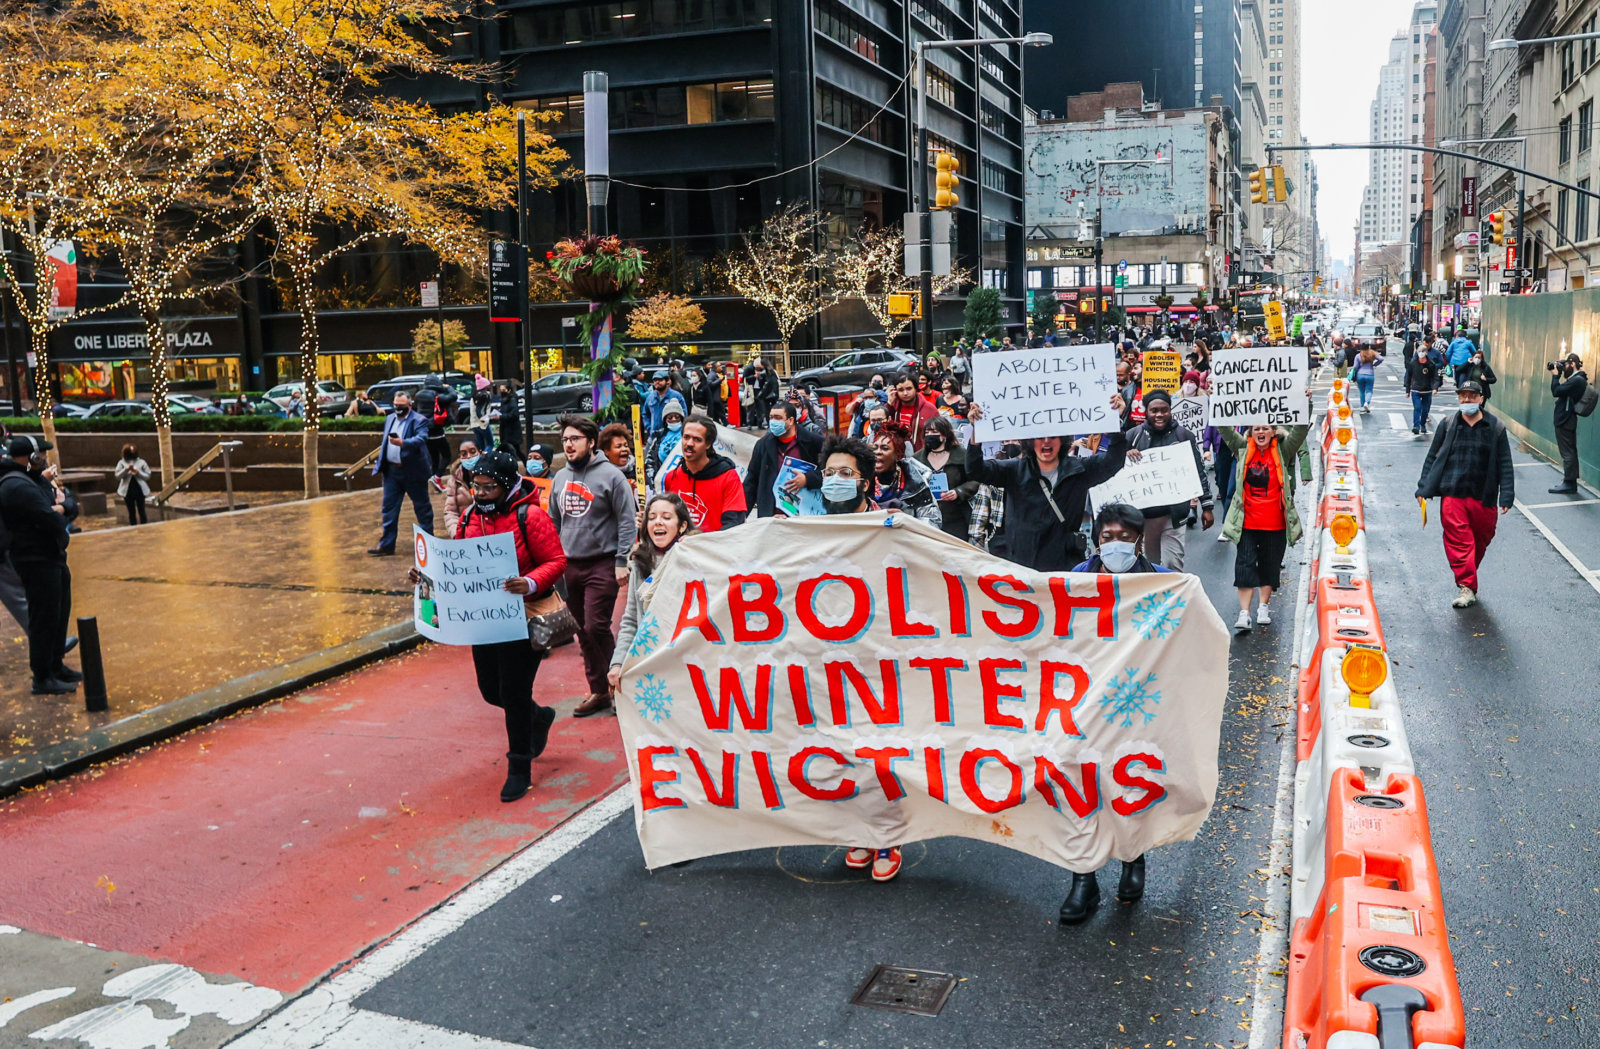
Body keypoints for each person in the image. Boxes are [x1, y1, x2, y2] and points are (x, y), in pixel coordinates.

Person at [419, 449, 564, 802]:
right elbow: (457, 563)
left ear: (506, 485)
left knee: (513, 693)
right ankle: (538, 717)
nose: (480, 494)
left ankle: (519, 767)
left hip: (523, 618)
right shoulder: (470, 517)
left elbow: (556, 560)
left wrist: (528, 583)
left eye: (487, 488)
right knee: (490, 690)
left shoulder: (531, 516)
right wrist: (427, 576)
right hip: (483, 620)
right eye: (476, 487)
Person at [1058, 502, 1172, 922]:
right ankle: (1083, 879)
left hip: (1138, 706)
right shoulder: (1076, 580)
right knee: (1082, 788)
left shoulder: (1164, 583)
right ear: (1095, 541)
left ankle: (1132, 859)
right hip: (1085, 705)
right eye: (1107, 538)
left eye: (1125, 537)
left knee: (1131, 785)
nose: (1116, 545)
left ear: (1139, 539)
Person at [965, 393, 1130, 570]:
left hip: (1065, 563)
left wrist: (1115, 423)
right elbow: (975, 470)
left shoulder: (1080, 470)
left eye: (1053, 437)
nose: (1046, 442)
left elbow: (1113, 461)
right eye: (1039, 437)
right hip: (1022, 562)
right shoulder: (1013, 470)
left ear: (1063, 441)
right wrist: (977, 433)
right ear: (1029, 442)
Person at [547, 415, 637, 717]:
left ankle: (619, 685)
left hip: (603, 562)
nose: (569, 445)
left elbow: (627, 521)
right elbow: (553, 522)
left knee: (597, 625)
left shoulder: (612, 476)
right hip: (570, 564)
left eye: (574, 439)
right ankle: (598, 690)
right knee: (581, 632)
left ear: (590, 442)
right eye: (565, 440)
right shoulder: (560, 478)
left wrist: (622, 561)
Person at [1415, 379, 1515, 607]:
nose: (1466, 400)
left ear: (1481, 399)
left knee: (1481, 539)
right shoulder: (1448, 424)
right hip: (1453, 495)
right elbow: (1432, 457)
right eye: (1463, 396)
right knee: (1460, 542)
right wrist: (1423, 486)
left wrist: (1507, 495)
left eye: (1471, 396)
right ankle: (1467, 587)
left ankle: (1467, 577)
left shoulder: (1496, 427)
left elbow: (1505, 463)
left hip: (1484, 496)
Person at [0, 436, 77, 694]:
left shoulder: (32, 480)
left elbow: (69, 503)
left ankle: (56, 666)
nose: (44, 457)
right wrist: (61, 508)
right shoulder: (16, 485)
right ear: (30, 456)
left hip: (51, 555)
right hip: (35, 559)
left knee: (58, 613)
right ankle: (42, 676)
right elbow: (50, 517)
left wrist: (62, 506)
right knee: (44, 618)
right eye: (41, 453)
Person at [1219, 422, 1310, 633]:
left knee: (1270, 566)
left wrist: (1305, 402)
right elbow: (1224, 428)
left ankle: (1263, 607)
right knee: (1244, 565)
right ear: (1251, 432)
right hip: (1247, 522)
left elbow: (1300, 430)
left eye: (1266, 428)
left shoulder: (1283, 449)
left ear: (1273, 432)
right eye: (1257, 429)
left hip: (1275, 523)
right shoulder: (1242, 447)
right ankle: (1244, 613)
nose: (1261, 432)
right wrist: (1217, 398)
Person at [609, 493, 697, 694]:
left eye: (666, 517)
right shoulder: (640, 563)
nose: (658, 522)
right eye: (652, 517)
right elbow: (631, 620)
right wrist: (617, 663)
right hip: (651, 661)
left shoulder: (696, 560)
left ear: (682, 526)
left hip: (688, 662)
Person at [1123, 390, 1214, 568]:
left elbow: (1198, 470)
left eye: (1164, 410)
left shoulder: (1184, 436)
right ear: (1146, 412)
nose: (1159, 415)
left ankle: (1175, 596)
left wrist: (1207, 506)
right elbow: (1116, 470)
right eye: (1154, 410)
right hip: (1144, 517)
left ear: (1170, 410)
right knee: (1150, 567)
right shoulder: (1133, 436)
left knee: (1173, 565)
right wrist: (1124, 456)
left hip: (1174, 515)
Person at [368, 391, 435, 555]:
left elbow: (421, 439)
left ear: (410, 405)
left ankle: (429, 545)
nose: (398, 408)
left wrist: (402, 443)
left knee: (422, 508)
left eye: (401, 406)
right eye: (395, 405)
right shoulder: (390, 418)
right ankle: (387, 545)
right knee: (388, 509)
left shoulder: (419, 420)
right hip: (392, 472)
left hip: (413, 472)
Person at [661, 415, 747, 532]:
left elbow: (734, 524)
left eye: (697, 439)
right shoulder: (671, 477)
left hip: (714, 548)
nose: (689, 443)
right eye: (686, 437)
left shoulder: (728, 477)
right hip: (681, 549)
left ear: (708, 444)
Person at [744, 401, 823, 518]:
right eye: (771, 418)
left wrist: (808, 479)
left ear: (790, 421)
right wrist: (741, 515)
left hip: (804, 516)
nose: (773, 422)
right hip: (771, 516)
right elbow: (752, 481)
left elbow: (829, 473)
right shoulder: (763, 445)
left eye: (778, 418)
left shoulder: (814, 442)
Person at [915, 415, 977, 540]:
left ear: (945, 435)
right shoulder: (916, 459)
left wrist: (958, 492)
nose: (930, 435)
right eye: (927, 432)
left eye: (934, 432)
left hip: (956, 518)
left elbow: (975, 479)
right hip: (926, 519)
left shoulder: (961, 455)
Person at [870, 424, 939, 526]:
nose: (878, 452)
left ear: (898, 455)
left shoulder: (917, 485)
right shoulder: (862, 481)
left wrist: (906, 522)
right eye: (875, 448)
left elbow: (932, 521)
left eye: (885, 448)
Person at [1548, 352, 1589, 495]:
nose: (1563, 368)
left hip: (1566, 420)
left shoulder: (1577, 380)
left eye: (1565, 365)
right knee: (1569, 451)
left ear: (1573, 364)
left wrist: (1555, 376)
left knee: (1568, 452)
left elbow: (1556, 391)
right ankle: (1569, 482)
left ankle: (1569, 483)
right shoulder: (1575, 379)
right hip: (1567, 419)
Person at [1404, 337, 1445, 435]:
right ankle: (1416, 426)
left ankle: (1422, 424)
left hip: (1427, 390)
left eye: (1423, 351)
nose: (1421, 353)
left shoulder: (1431, 364)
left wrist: (1435, 388)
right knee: (1417, 408)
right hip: (1416, 390)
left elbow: (1435, 377)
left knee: (1425, 410)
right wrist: (1407, 390)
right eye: (1419, 351)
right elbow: (1408, 376)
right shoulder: (1413, 363)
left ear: (1426, 353)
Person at [888, 373, 938, 452]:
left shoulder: (930, 409)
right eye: (901, 390)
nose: (905, 393)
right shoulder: (892, 407)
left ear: (915, 388)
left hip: (921, 457)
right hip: (895, 455)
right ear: (895, 391)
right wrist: (889, 404)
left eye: (909, 389)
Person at [441, 437, 480, 537]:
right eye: (464, 454)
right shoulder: (455, 480)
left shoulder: (491, 476)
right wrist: (456, 533)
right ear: (460, 457)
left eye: (472, 452)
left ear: (480, 451)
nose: (469, 457)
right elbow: (450, 512)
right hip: (465, 535)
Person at [645, 402, 686, 485]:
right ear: (665, 420)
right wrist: (653, 479)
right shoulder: (659, 437)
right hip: (662, 481)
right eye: (670, 417)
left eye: (677, 417)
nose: (674, 419)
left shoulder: (688, 435)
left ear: (681, 419)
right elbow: (650, 460)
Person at [114, 443, 152, 526]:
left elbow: (147, 475)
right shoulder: (121, 463)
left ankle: (144, 525)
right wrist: (126, 470)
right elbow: (117, 476)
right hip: (128, 490)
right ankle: (133, 526)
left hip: (139, 489)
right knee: (131, 511)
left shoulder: (141, 462)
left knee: (141, 510)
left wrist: (138, 473)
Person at [643, 372, 688, 440]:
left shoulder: (677, 396)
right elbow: (645, 414)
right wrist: (649, 427)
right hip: (654, 436)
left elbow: (684, 414)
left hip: (672, 436)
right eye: (655, 380)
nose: (657, 382)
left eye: (660, 380)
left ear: (667, 381)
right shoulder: (650, 397)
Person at [598, 422, 638, 487]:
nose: (624, 449)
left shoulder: (638, 468)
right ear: (607, 451)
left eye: (626, 445)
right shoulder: (602, 474)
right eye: (618, 446)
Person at [1352, 344, 1384, 414]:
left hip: (1360, 375)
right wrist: (1375, 364)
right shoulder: (1372, 354)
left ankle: (1362, 406)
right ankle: (1367, 402)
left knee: (1362, 391)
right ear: (1369, 348)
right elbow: (1381, 359)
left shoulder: (1358, 356)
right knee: (1369, 391)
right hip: (1370, 374)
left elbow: (1355, 367)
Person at [497, 381, 522, 461]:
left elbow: (514, 415)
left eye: (503, 389)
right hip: (506, 431)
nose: (502, 392)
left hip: (512, 431)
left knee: (515, 451)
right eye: (500, 390)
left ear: (509, 390)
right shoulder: (504, 401)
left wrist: (501, 417)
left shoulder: (512, 400)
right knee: (515, 451)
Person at [468, 380, 495, 451]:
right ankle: (484, 458)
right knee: (490, 444)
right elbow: (478, 410)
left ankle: (481, 459)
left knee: (481, 446)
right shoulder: (484, 395)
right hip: (482, 423)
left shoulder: (474, 396)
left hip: (474, 424)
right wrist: (482, 418)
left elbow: (473, 410)